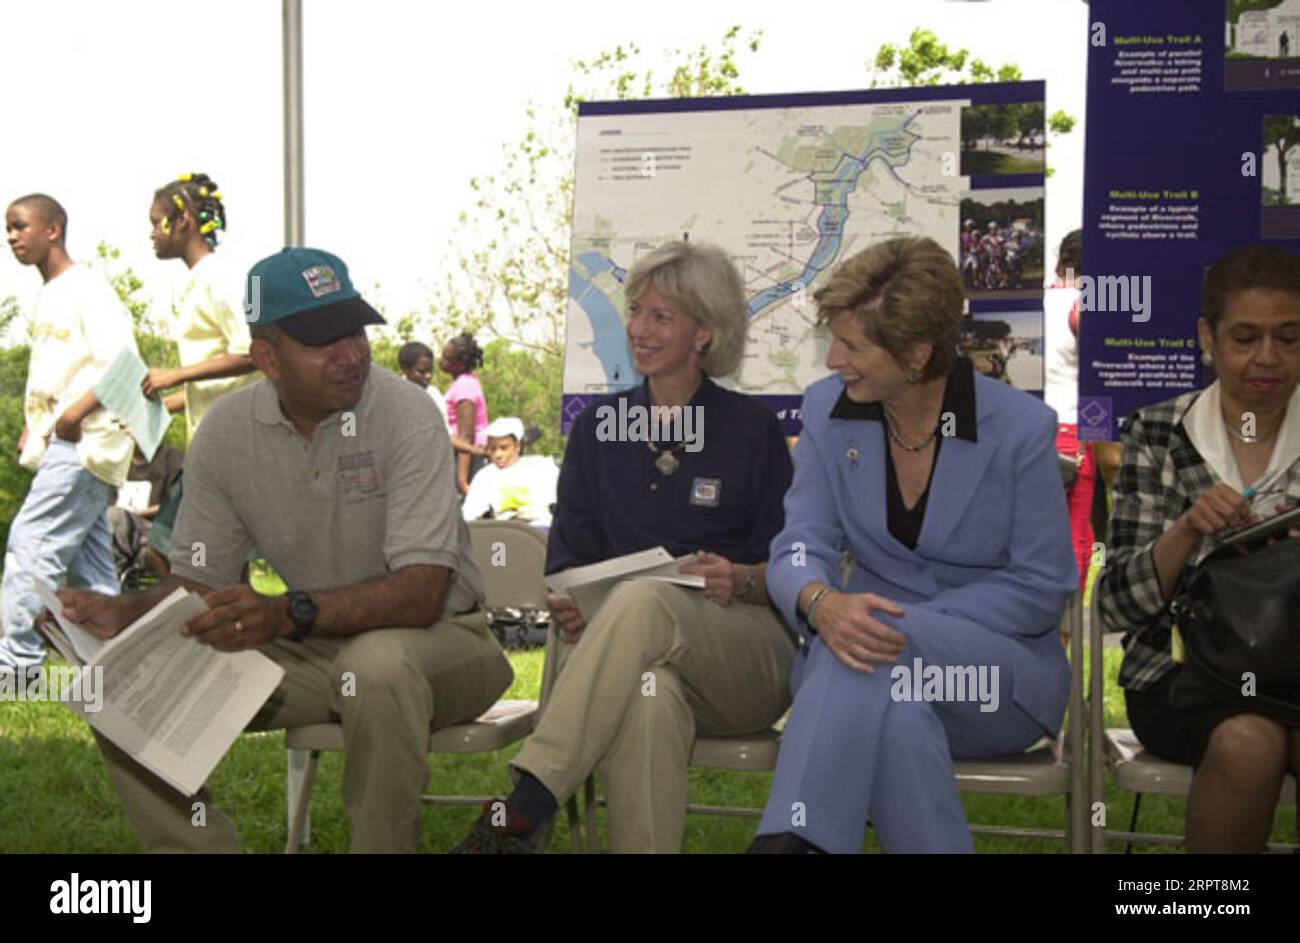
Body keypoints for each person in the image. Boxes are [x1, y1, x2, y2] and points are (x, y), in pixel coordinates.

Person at [57, 247, 513, 852]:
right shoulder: (226, 432)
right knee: (116, 687)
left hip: (448, 643)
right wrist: (127, 613)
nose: (351, 353)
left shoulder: (406, 414)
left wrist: (284, 612)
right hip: (312, 650)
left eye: (354, 329)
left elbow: (423, 591)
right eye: (323, 340)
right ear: (266, 357)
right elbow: (197, 579)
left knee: (374, 666)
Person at [453, 241, 795, 853]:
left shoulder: (753, 430)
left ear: (705, 334)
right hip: (634, 665)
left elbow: (794, 572)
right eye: (636, 311)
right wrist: (569, 599)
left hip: (741, 656)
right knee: (647, 700)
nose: (637, 328)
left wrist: (739, 578)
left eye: (661, 316)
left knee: (643, 601)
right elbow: (565, 569)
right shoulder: (596, 430)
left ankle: (527, 802)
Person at [748, 237, 1076, 854]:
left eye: (853, 346)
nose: (834, 361)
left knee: (870, 648)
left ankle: (789, 843)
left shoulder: (1021, 429)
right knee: (896, 713)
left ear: (918, 354)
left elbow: (1041, 590)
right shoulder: (827, 410)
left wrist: (893, 620)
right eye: (834, 341)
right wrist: (819, 602)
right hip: (869, 667)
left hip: (993, 680)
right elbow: (799, 543)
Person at [1098, 244, 1300, 853]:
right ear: (1206, 339)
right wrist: (1185, 531)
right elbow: (1113, 606)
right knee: (1248, 741)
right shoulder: (1156, 431)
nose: (1266, 357)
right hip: (1182, 677)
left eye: (1288, 338)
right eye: (1245, 338)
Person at [1, 193, 137, 675]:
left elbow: (124, 362)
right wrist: (33, 426)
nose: (12, 237)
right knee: (91, 563)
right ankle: (116, 665)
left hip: (84, 442)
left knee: (31, 541)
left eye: (20, 226)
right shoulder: (50, 292)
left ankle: (16, 669)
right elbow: (58, 371)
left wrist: (73, 416)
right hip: (61, 438)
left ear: (53, 229)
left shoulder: (87, 288)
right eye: (8, 228)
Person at [140, 173, 257, 442]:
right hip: (212, 440)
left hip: (238, 441)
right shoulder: (198, 280)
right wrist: (168, 405)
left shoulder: (223, 277)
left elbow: (252, 352)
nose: (152, 234)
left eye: (156, 223)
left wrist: (176, 375)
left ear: (182, 221)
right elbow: (220, 377)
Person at [461, 417, 558, 526]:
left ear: (517, 446)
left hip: (539, 532)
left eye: (503, 448)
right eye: (493, 449)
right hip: (504, 535)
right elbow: (469, 515)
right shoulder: (485, 476)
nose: (498, 454)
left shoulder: (541, 467)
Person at [440, 332, 490, 495]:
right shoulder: (460, 383)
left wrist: (462, 481)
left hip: (468, 460)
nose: (441, 361)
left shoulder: (465, 387)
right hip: (461, 453)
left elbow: (466, 437)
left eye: (447, 359)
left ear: (460, 364)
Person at [397, 340, 450, 431]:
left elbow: (444, 430)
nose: (429, 376)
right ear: (405, 369)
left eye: (430, 371)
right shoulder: (394, 397)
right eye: (422, 371)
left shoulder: (434, 395)